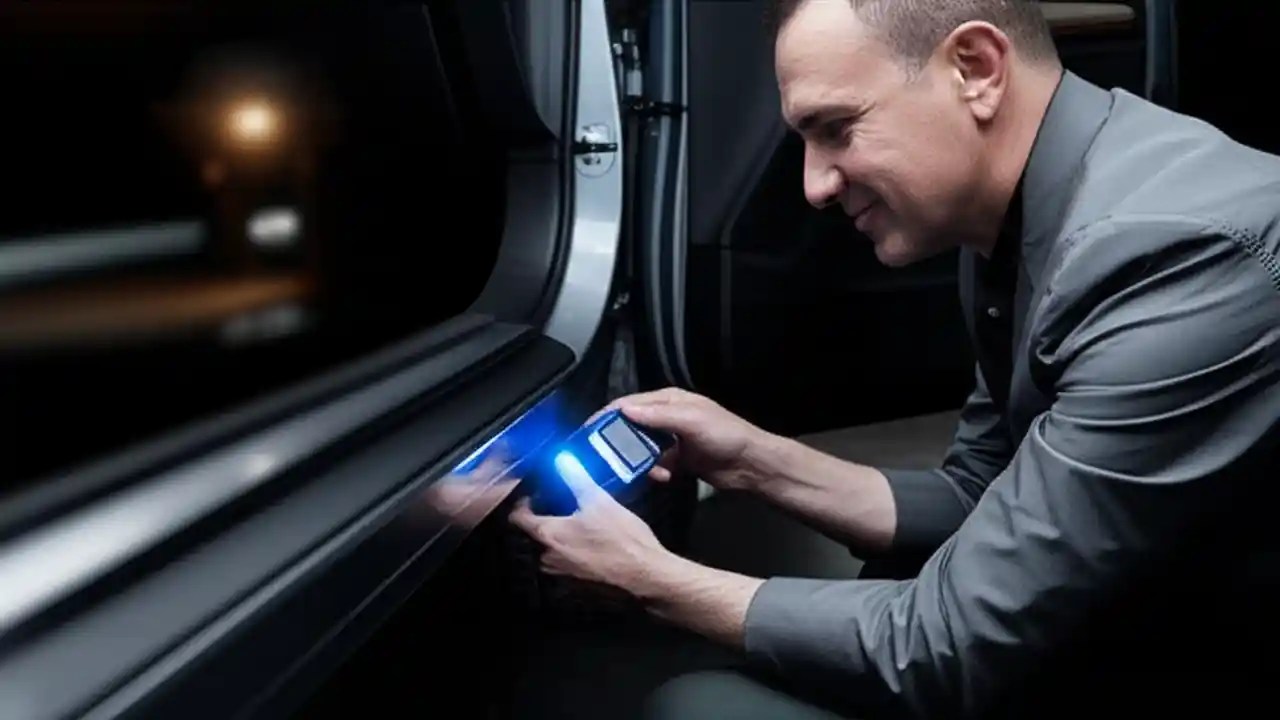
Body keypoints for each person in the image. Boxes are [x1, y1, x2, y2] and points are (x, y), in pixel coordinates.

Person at [509, 0, 1280, 717]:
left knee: (700, 704)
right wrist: (752, 461)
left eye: (837, 128)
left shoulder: (1172, 253)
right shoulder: (1020, 213)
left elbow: (953, 643)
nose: (813, 184)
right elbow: (982, 493)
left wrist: (654, 581)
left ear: (975, 69)